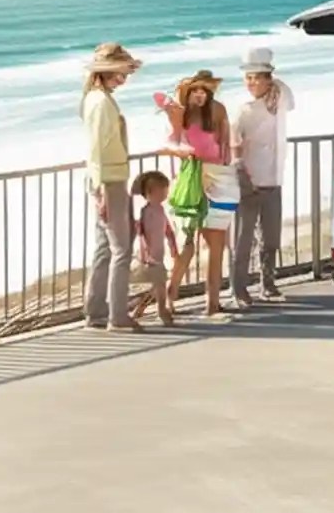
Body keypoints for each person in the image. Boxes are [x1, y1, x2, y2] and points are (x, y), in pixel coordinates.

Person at [81, 41, 144, 332]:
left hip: (106, 179)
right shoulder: (101, 102)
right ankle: (117, 316)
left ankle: (95, 311)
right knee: (121, 249)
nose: (124, 78)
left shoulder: (97, 98)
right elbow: (99, 150)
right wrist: (103, 190)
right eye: (121, 71)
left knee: (105, 247)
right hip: (110, 181)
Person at [161, 70, 235, 319]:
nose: (200, 95)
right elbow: (168, 142)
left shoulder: (218, 111)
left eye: (204, 90)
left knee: (215, 246)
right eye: (196, 90)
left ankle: (212, 303)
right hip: (190, 182)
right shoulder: (180, 115)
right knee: (186, 246)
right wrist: (182, 151)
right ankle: (168, 299)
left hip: (218, 180)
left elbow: (226, 148)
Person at [230, 47, 295, 306]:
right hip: (249, 180)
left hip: (273, 176)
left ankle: (267, 285)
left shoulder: (279, 98)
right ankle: (238, 290)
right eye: (248, 78)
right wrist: (242, 176)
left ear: (269, 79)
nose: (252, 83)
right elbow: (234, 145)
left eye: (257, 77)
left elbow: (290, 96)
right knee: (244, 238)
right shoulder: (242, 109)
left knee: (271, 237)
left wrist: (271, 74)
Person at [129, 171, 178, 326]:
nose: (164, 194)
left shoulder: (161, 210)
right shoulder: (146, 211)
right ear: (149, 193)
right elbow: (142, 233)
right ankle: (162, 311)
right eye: (161, 191)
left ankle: (142, 306)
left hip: (159, 254)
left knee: (158, 284)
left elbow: (167, 228)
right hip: (150, 255)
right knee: (160, 283)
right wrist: (145, 251)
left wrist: (172, 244)